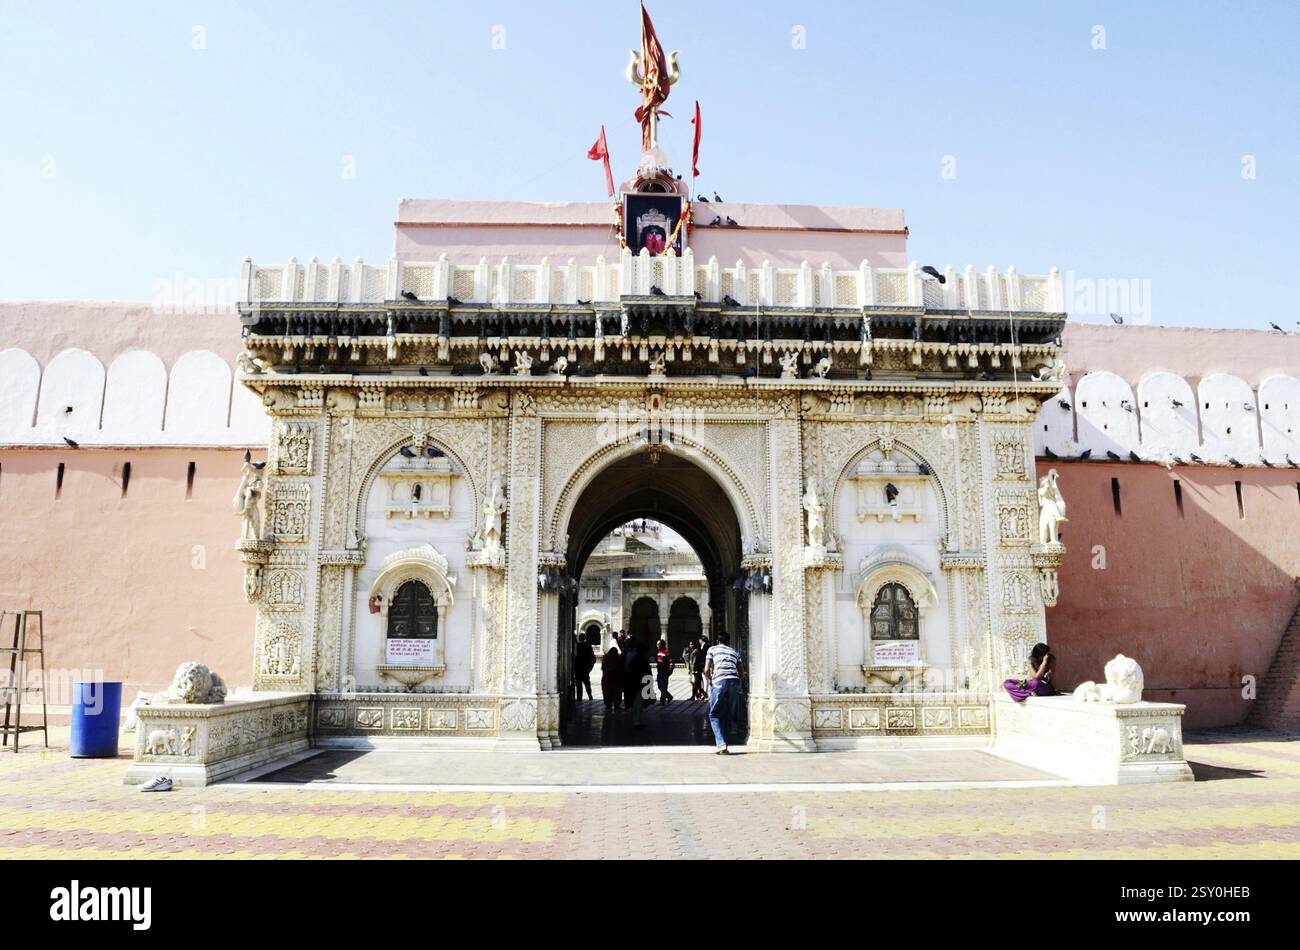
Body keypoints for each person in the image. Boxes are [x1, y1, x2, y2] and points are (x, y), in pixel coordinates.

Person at [704, 633, 746, 753]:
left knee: (713, 714)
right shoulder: (734, 652)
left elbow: (706, 669)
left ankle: (721, 743)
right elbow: (741, 672)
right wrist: (743, 676)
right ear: (729, 641)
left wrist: (711, 680)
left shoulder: (712, 649)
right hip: (734, 682)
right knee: (728, 714)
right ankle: (725, 744)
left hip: (719, 682)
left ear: (717, 641)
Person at [622, 636, 650, 728]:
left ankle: (637, 721)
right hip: (639, 683)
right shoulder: (639, 658)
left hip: (638, 682)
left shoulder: (637, 657)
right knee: (638, 702)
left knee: (639, 702)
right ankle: (636, 722)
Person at [600, 637, 623, 710]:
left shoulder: (614, 657)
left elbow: (604, 667)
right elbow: (604, 667)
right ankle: (612, 704)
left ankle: (610, 704)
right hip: (611, 678)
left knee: (610, 692)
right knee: (611, 692)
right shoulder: (611, 657)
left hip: (611, 679)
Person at [574, 632, 595, 702]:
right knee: (587, 683)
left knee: (579, 683)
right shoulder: (588, 645)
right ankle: (590, 696)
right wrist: (590, 667)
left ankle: (579, 698)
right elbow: (592, 657)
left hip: (578, 667)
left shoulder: (577, 645)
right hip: (585, 667)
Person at [654, 638, 675, 704]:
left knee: (663, 686)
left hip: (664, 671)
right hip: (659, 671)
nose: (657, 645)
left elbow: (671, 662)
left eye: (659, 644)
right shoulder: (658, 652)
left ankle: (662, 701)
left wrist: (669, 671)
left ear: (663, 645)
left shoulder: (667, 652)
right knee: (659, 686)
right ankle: (669, 696)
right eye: (657, 644)